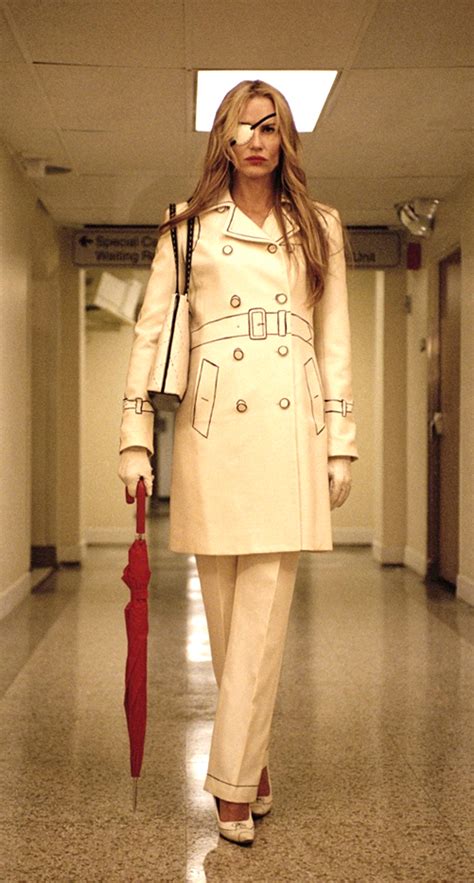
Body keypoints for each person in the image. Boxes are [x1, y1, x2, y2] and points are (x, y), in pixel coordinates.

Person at [118, 79, 358, 845]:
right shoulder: (185, 227)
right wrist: (133, 437)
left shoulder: (319, 225)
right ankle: (252, 759)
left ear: (286, 139)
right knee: (226, 621)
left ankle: (228, 783)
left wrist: (341, 437)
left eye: (270, 127)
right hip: (212, 426)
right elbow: (150, 335)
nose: (256, 140)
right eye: (243, 126)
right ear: (222, 137)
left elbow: (335, 337)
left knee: (264, 612)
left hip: (289, 428)